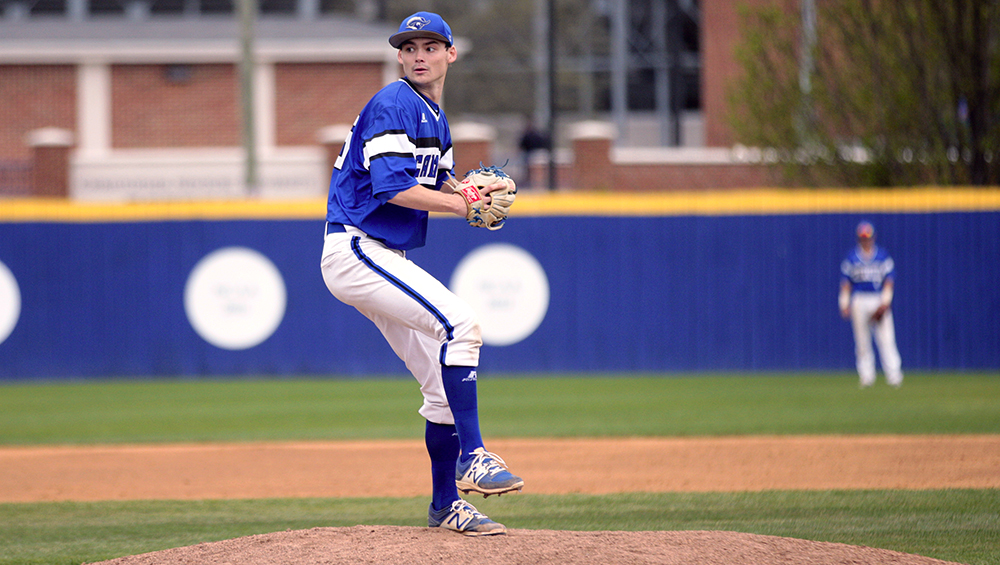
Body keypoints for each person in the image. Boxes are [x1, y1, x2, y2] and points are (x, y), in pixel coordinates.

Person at [319, 12, 523, 536]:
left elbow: (433, 178)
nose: (418, 55)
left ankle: (445, 506)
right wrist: (463, 207)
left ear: (450, 54)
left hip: (382, 253)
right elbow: (394, 189)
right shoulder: (395, 102)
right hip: (357, 248)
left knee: (440, 385)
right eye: (409, 47)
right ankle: (473, 455)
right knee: (460, 325)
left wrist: (464, 189)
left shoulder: (433, 115)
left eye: (430, 46)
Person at [839, 221, 903, 388]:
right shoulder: (852, 257)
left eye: (868, 238)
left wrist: (885, 302)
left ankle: (894, 375)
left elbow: (889, 280)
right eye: (863, 238)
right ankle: (866, 376)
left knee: (886, 338)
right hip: (859, 298)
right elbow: (846, 283)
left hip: (877, 297)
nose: (866, 241)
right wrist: (844, 303)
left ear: (873, 238)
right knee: (862, 341)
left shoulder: (882, 256)